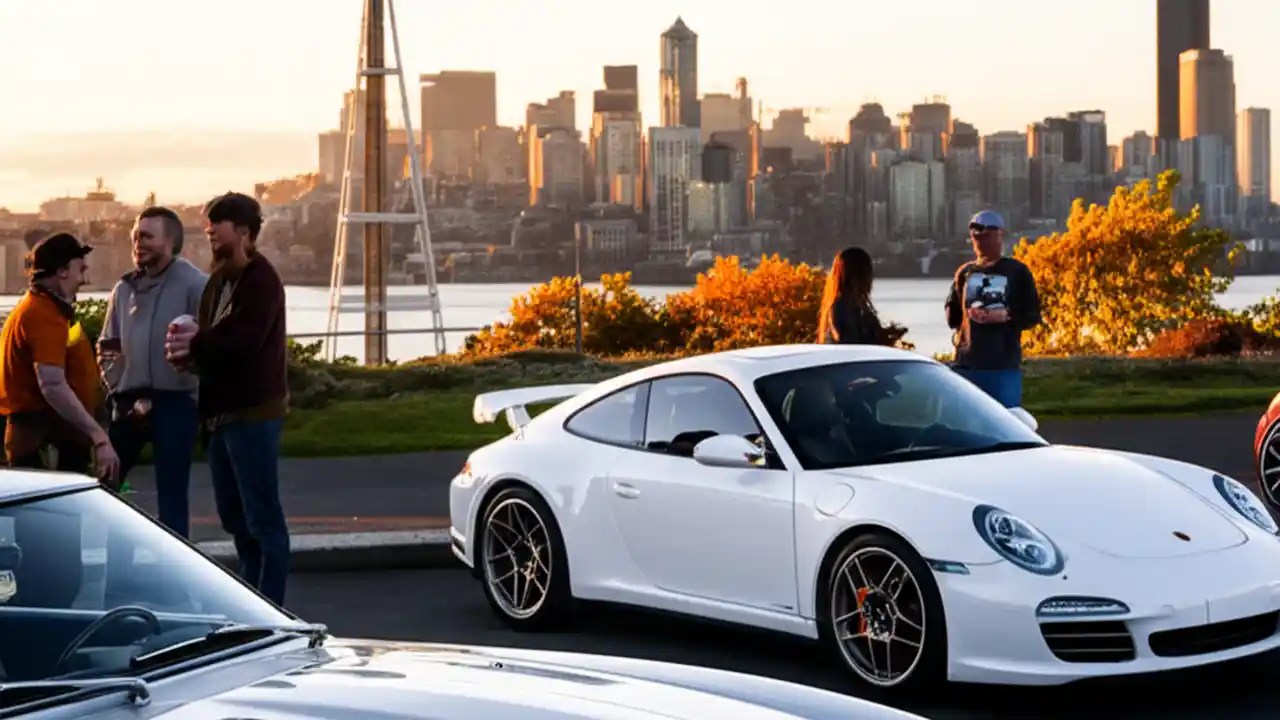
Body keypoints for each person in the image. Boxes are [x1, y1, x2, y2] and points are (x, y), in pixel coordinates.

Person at [164, 192, 290, 605]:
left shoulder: (261, 280)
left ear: (244, 232)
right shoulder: (218, 281)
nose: (210, 232)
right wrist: (193, 357)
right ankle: (253, 601)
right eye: (209, 225)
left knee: (262, 520)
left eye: (218, 225)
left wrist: (196, 345)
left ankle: (270, 608)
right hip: (220, 417)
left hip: (253, 414)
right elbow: (214, 342)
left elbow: (244, 342)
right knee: (235, 519)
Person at [98, 206, 208, 538]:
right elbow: (108, 342)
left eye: (147, 237)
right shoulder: (123, 289)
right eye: (135, 237)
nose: (138, 244)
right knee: (104, 485)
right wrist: (116, 382)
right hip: (128, 402)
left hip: (175, 402)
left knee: (172, 495)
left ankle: (175, 570)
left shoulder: (196, 284)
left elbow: (211, 343)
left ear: (171, 242)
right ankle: (112, 559)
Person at [0, 233, 119, 480]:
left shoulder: (56, 310)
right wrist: (98, 436)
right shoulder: (42, 315)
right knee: (49, 515)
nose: (84, 278)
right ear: (62, 271)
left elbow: (75, 357)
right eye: (80, 268)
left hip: (62, 435)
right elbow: (52, 385)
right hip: (43, 438)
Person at [945, 210, 1042, 408]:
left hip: (1002, 366)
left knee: (1006, 420)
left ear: (1000, 235)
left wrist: (1006, 315)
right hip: (967, 365)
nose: (981, 242)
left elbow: (1032, 314)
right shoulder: (965, 273)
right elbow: (953, 317)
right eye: (976, 237)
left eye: (987, 236)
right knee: (968, 422)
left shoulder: (1017, 271)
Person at [817, 246, 901, 346]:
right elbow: (849, 344)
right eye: (868, 272)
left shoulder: (858, 306)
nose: (871, 278)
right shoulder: (841, 306)